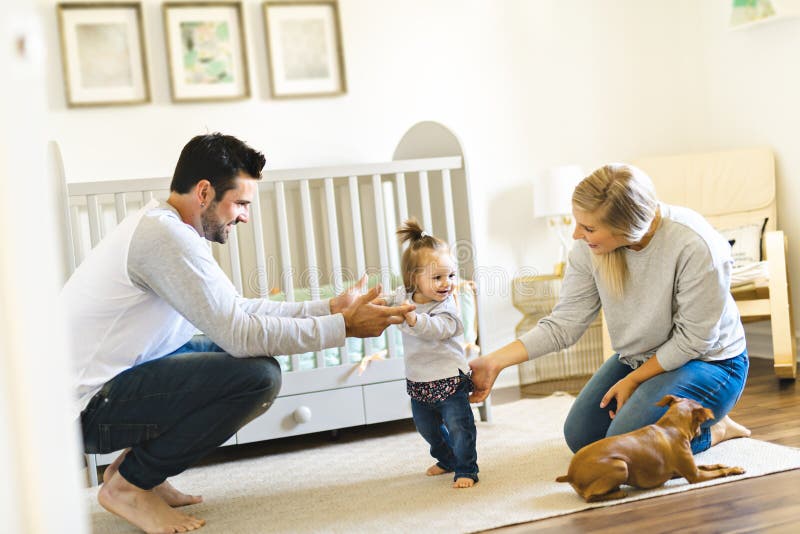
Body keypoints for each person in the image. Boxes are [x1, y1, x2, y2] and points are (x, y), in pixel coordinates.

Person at [61, 133, 414, 533]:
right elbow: (241, 334)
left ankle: (144, 473)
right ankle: (129, 485)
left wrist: (329, 309)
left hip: (109, 386)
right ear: (205, 192)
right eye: (241, 203)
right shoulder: (166, 239)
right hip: (84, 409)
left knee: (237, 355)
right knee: (257, 377)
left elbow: (239, 309)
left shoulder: (171, 228)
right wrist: (345, 327)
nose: (245, 216)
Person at [469, 163, 751, 456]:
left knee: (623, 449)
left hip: (710, 362)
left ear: (628, 229)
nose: (577, 234)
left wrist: (633, 380)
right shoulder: (589, 248)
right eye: (577, 222)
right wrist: (495, 362)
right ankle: (681, 424)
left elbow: (694, 340)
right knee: (582, 439)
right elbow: (564, 324)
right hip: (641, 357)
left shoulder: (696, 245)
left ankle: (714, 430)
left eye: (589, 228)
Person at [384, 219, 478, 488]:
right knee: (427, 428)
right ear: (414, 278)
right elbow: (390, 301)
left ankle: (466, 468)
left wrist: (415, 321)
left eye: (450, 275)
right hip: (419, 380)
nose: (446, 283)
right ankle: (446, 457)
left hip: (450, 380)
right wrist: (378, 303)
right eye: (437, 277)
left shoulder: (449, 306)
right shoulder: (406, 295)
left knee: (460, 427)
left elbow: (439, 329)